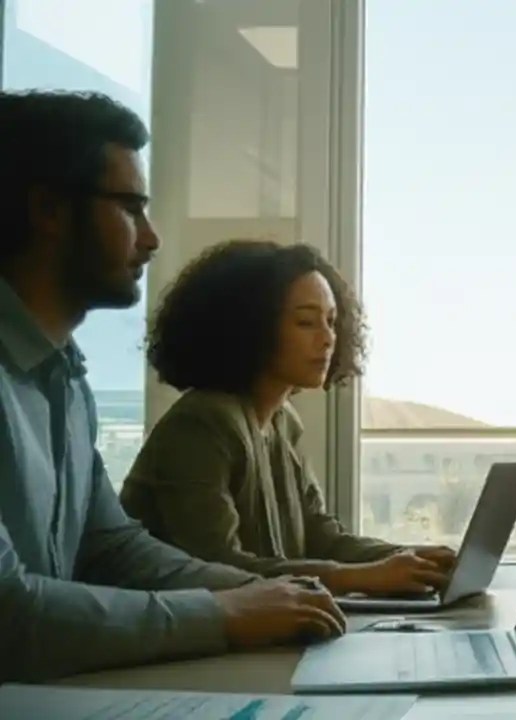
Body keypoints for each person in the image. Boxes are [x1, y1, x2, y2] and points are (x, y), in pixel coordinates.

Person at [0, 90, 346, 683]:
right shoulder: (205, 418)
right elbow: (8, 615)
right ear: (49, 210)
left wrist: (273, 593)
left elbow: (112, 548)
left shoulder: (66, 380)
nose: (152, 238)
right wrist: (225, 612)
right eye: (131, 208)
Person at [120, 239, 457, 597]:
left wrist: (409, 558)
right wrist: (363, 577)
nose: (328, 338)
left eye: (331, 321)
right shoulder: (201, 423)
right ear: (249, 327)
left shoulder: (282, 422)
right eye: (306, 322)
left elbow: (319, 536)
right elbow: (216, 566)